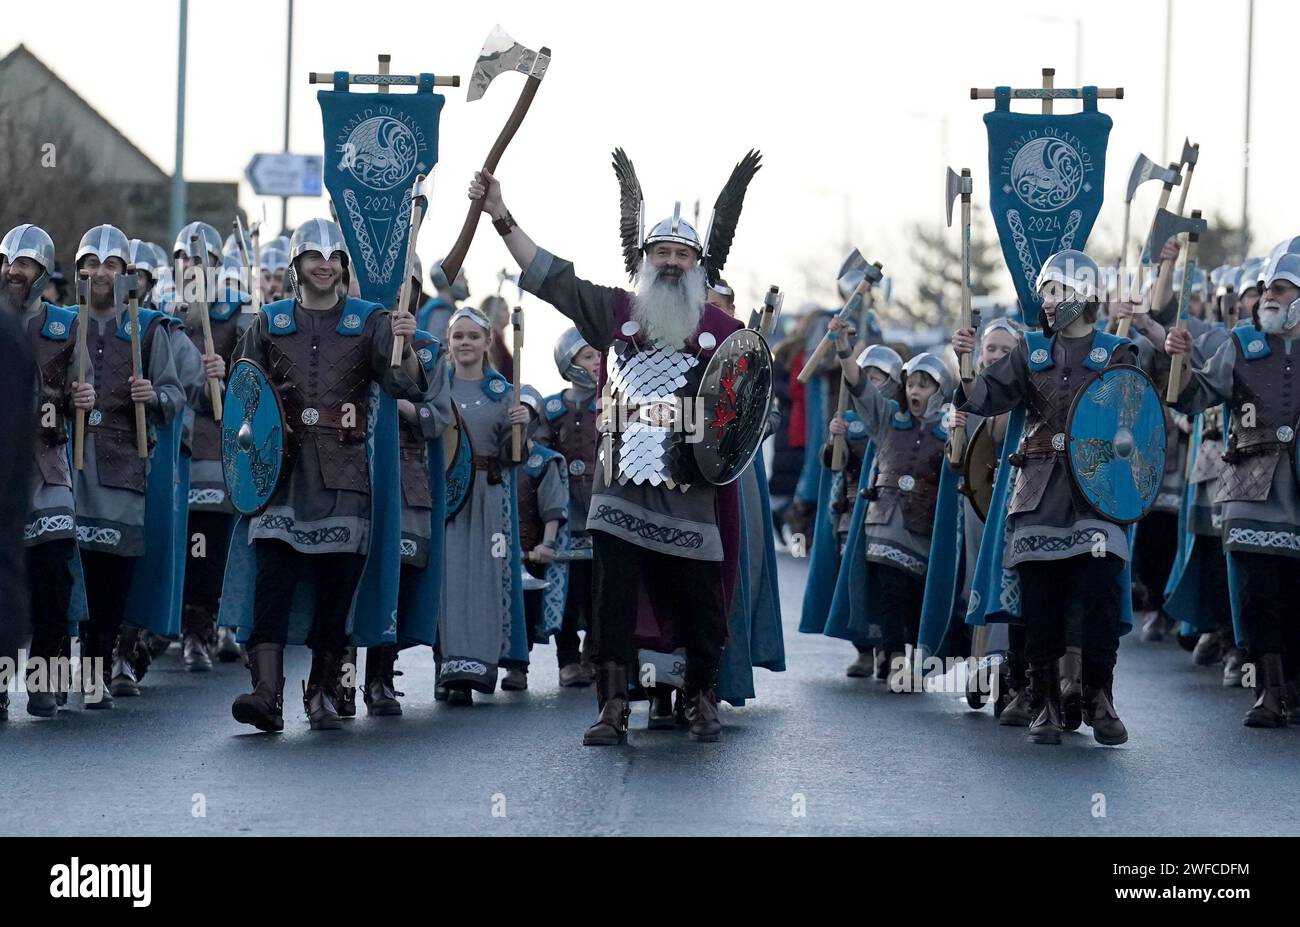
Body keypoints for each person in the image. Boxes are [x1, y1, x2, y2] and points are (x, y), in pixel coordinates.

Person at [467, 145, 761, 744]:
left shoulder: (726, 333)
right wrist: (501, 214)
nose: (672, 262)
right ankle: (613, 705)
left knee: (702, 599)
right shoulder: (616, 310)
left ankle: (701, 695)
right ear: (645, 259)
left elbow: (751, 409)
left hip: (691, 492)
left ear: (698, 264)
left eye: (682, 253)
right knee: (612, 602)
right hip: (618, 488)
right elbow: (552, 277)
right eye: (662, 252)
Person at [223, 218, 428, 732]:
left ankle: (321, 691)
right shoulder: (267, 321)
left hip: (344, 473)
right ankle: (266, 693)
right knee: (273, 583)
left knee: (336, 592)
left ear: (343, 266)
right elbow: (243, 393)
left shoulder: (370, 319)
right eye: (313, 254)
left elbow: (406, 384)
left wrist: (407, 344)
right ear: (296, 266)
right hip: (280, 471)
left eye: (333, 256)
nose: (324, 262)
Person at [953, 249, 1145, 745]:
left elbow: (1136, 420)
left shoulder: (1116, 351)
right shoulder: (1031, 351)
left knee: (1100, 589)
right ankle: (1045, 705)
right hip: (1037, 488)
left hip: (1097, 491)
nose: (1048, 300)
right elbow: (983, 399)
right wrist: (966, 362)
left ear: (1082, 295)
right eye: (1046, 291)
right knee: (1042, 599)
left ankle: (1099, 698)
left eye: (1057, 290)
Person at [1166, 249, 1300, 728]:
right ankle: (1267, 690)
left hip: (1296, 490)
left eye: (1279, 289)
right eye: (1265, 289)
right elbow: (1197, 396)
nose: (1267, 296)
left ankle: (1293, 687)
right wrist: (1179, 362)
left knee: (1292, 593)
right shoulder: (1240, 343)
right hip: (1247, 484)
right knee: (1256, 592)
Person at [71, 224, 185, 708]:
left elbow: (177, 395)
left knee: (110, 574)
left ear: (126, 275)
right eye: (92, 264)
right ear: (79, 271)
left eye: (111, 265)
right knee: (67, 569)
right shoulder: (63, 324)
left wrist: (153, 395)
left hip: (124, 465)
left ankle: (99, 665)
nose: (101, 273)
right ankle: (64, 664)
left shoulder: (149, 329)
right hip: (70, 466)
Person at [0, 224, 95, 716]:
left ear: (41, 271)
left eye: (24, 264)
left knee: (52, 577)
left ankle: (47, 678)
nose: (14, 271)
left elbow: (91, 402)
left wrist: (84, 402)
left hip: (49, 467)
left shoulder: (68, 324)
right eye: (9, 262)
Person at [436, 305, 529, 705]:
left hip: (491, 497)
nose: (465, 343)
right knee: (450, 580)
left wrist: (519, 424)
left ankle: (484, 662)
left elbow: (516, 455)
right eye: (458, 336)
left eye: (473, 336)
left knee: (488, 579)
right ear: (448, 343)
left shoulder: (503, 391)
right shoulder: (437, 387)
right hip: (450, 497)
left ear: (488, 342)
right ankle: (450, 669)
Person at [535, 327, 601, 686]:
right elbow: (540, 454)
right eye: (588, 355)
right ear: (569, 360)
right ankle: (567, 658)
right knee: (566, 590)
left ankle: (595, 651)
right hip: (563, 510)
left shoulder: (611, 403)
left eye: (599, 355)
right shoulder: (552, 407)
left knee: (596, 588)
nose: (596, 362)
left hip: (598, 508)